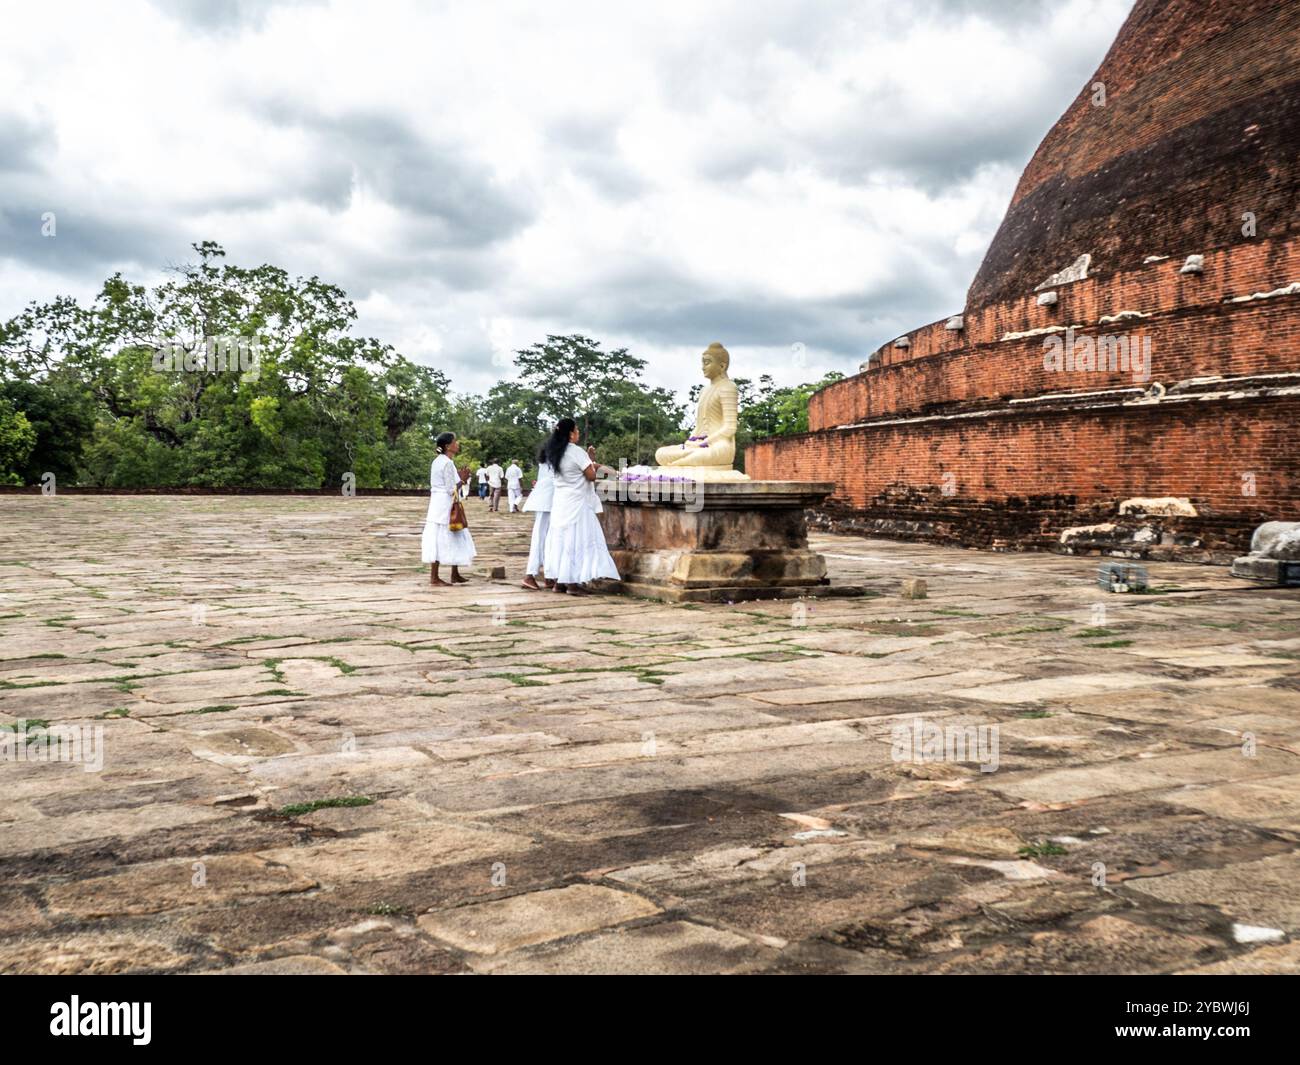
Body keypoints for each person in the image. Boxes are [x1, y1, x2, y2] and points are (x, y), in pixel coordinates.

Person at [541, 418, 619, 595]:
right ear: (570, 434)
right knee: (578, 540)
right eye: (576, 430)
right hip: (578, 502)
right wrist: (592, 461)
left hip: (561, 501)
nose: (578, 433)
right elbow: (591, 475)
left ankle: (559, 582)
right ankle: (572, 583)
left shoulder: (554, 452)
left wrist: (589, 461)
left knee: (561, 540)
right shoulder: (576, 451)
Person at [422, 432, 475, 587]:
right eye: (455, 442)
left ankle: (454, 573)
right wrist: (463, 480)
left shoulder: (438, 461)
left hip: (439, 504)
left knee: (453, 535)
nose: (457, 444)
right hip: (445, 504)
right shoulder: (447, 463)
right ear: (448, 446)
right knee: (444, 537)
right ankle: (435, 577)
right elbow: (450, 489)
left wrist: (460, 479)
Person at [521, 443, 554, 590]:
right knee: (541, 538)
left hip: (547, 499)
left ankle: (549, 575)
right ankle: (530, 574)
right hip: (546, 500)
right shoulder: (553, 460)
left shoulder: (546, 461)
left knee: (547, 538)